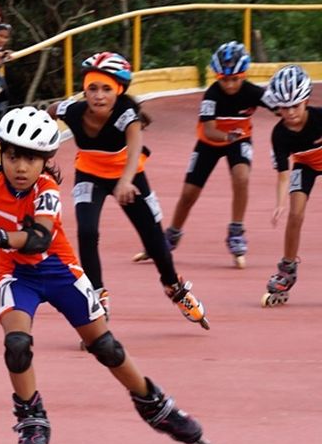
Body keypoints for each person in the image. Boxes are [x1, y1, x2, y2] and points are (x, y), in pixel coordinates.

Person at [0, 106, 217, 444]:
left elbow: (37, 240)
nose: (22, 167)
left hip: (59, 271)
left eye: (32, 158)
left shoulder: (47, 191)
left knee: (106, 348)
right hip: (17, 275)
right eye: (13, 156)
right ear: (2, 153)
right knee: (17, 344)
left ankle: (155, 404)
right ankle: (30, 414)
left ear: (46, 161)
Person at [49, 52, 209, 328]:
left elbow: (135, 146)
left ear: (119, 91)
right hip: (89, 174)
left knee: (154, 240)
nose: (99, 96)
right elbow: (51, 111)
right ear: (84, 90)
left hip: (128, 174)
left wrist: (125, 181)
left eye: (107, 89)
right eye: (92, 88)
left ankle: (174, 286)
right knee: (86, 232)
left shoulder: (126, 114)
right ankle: (97, 296)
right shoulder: (72, 111)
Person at [159, 42, 269, 268]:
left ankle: (236, 231)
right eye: (224, 79)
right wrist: (228, 137)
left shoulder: (253, 92)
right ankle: (171, 236)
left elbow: (282, 107)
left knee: (242, 177)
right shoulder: (211, 95)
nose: (229, 85)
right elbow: (209, 129)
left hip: (239, 140)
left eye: (235, 79)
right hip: (210, 141)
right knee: (189, 193)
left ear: (244, 75)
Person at [261, 64, 318, 307]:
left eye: (295, 105)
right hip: (305, 165)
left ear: (306, 101)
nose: (291, 112)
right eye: (285, 107)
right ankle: (287, 269)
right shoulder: (279, 134)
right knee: (295, 215)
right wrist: (279, 204)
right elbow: (283, 174)